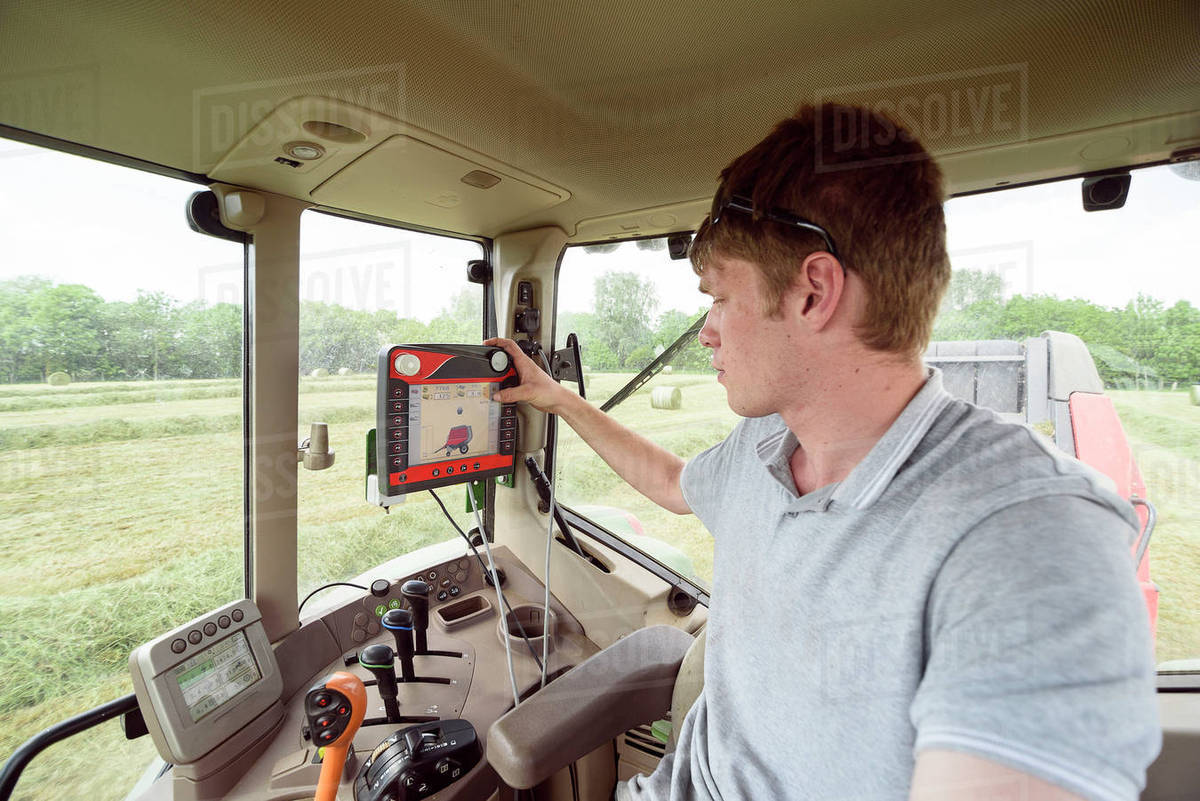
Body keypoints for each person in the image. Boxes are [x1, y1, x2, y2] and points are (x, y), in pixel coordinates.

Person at [487, 104, 1159, 801]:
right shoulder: (766, 441)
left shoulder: (1026, 535)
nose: (706, 333)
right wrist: (557, 398)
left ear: (814, 292)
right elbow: (674, 481)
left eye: (717, 299)